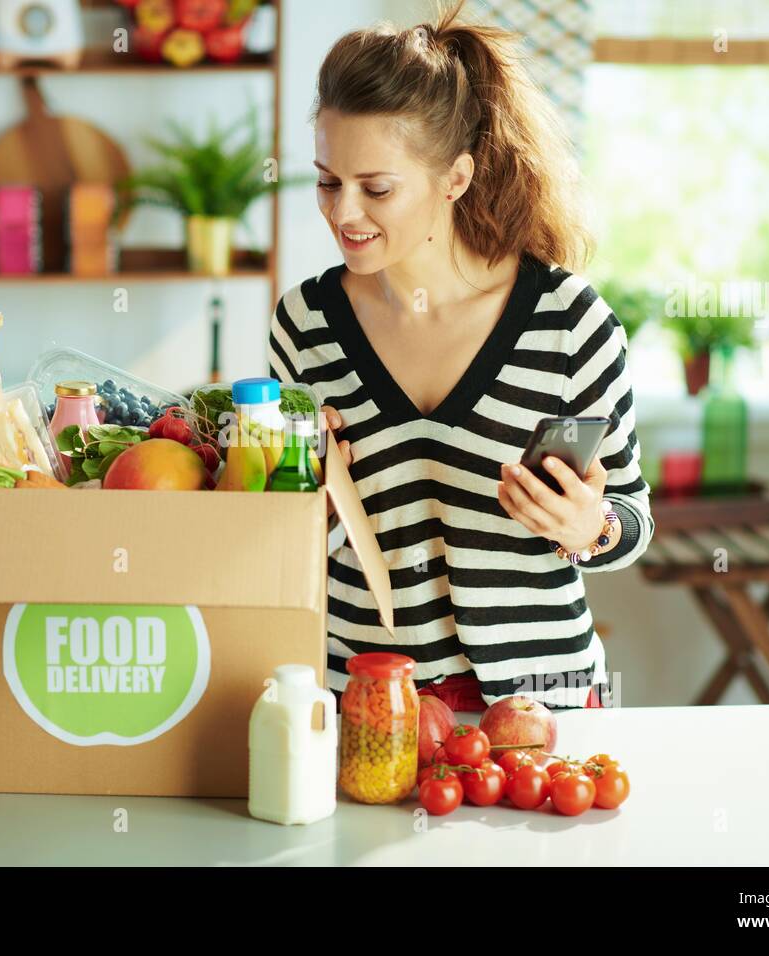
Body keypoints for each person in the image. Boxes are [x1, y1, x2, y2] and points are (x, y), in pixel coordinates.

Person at [268, 2, 654, 712]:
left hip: (543, 707)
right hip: (371, 701)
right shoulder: (305, 326)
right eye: (329, 181)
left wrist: (588, 528)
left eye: (377, 188)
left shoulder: (569, 325)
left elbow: (630, 519)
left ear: (455, 178)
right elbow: (281, 536)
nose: (343, 213)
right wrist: (304, 501)